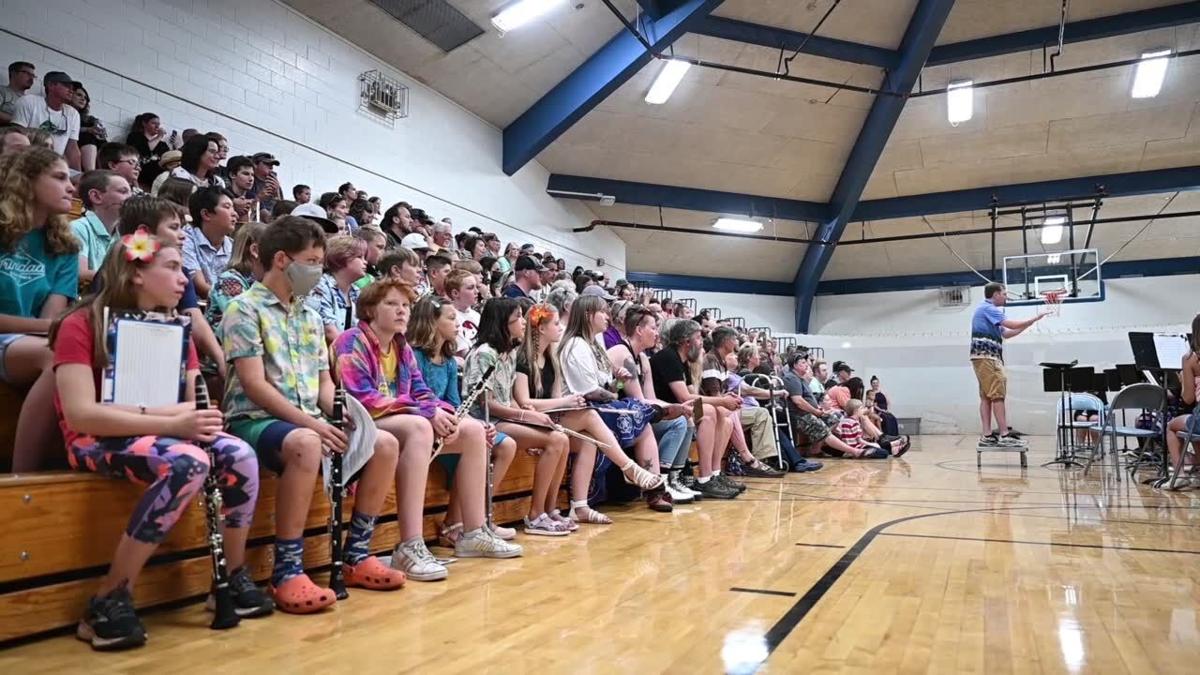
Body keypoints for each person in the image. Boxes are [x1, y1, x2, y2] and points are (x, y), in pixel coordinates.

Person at [50, 230, 271, 650]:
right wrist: (173, 423)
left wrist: (185, 421)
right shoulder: (81, 323)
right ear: (136, 273)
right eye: (171, 268)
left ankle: (230, 576)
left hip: (161, 435)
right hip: (96, 439)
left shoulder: (177, 330)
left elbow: (189, 407)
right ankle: (108, 598)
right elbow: (81, 413)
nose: (184, 280)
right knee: (189, 462)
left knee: (240, 453)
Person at [222, 216, 403, 613]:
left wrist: (348, 415)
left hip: (305, 416)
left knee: (384, 442)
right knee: (306, 443)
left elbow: (323, 383)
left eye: (322, 262)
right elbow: (254, 385)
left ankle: (357, 553)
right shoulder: (243, 308)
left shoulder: (308, 314)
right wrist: (313, 424)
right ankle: (286, 570)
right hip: (254, 420)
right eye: (313, 260)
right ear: (283, 260)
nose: (319, 270)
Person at [336, 283, 521, 581]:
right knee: (421, 425)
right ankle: (410, 544)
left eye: (406, 305)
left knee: (472, 430)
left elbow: (422, 392)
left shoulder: (400, 346)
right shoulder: (350, 341)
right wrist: (427, 412)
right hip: (362, 423)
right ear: (370, 309)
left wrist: (443, 414)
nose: (401, 310)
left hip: (402, 422)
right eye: (391, 304)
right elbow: (363, 398)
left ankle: (472, 532)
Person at [522, 303, 666, 521]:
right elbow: (524, 402)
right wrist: (567, 400)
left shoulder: (552, 356)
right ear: (541, 329)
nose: (561, 326)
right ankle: (630, 469)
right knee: (597, 415)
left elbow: (557, 397)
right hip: (532, 417)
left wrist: (611, 383)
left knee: (590, 438)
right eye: (555, 323)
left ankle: (579, 507)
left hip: (552, 414)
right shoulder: (526, 358)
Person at [408, 294, 522, 548]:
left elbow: (456, 403)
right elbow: (412, 397)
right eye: (451, 318)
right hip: (425, 423)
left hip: (449, 425)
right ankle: (461, 524)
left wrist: (478, 424)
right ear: (432, 323)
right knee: (476, 442)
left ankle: (470, 523)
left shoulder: (448, 362)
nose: (458, 323)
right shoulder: (415, 356)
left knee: (485, 437)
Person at [0, 147, 79, 472]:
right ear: (28, 183)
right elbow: (49, 328)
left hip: (25, 342)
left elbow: (50, 321)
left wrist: (57, 330)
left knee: (72, 354)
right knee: (57, 355)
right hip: (18, 340)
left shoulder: (64, 247)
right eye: (59, 178)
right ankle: (23, 476)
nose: (72, 187)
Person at [463, 298, 571, 536]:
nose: (524, 321)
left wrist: (529, 418)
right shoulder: (485, 354)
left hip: (505, 418)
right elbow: (486, 403)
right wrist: (522, 415)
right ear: (504, 323)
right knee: (554, 439)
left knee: (560, 437)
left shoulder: (508, 353)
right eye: (518, 318)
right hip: (486, 421)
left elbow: (508, 398)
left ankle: (545, 510)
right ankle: (533, 515)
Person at [556, 295, 670, 511]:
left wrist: (615, 380)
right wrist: (615, 394)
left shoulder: (591, 345)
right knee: (640, 414)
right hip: (577, 409)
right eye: (602, 312)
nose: (608, 317)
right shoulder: (576, 344)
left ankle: (651, 483)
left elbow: (603, 387)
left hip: (589, 407)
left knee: (641, 416)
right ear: (589, 315)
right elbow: (589, 391)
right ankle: (641, 477)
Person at [606, 305, 697, 504]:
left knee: (686, 419)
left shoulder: (643, 359)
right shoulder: (624, 354)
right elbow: (640, 402)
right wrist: (674, 408)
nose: (657, 333)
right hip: (611, 412)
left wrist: (678, 408)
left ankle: (672, 479)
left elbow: (650, 397)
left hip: (632, 412)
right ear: (639, 330)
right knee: (678, 421)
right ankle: (658, 485)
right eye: (653, 328)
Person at [650, 319, 742, 500]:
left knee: (721, 413)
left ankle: (715, 473)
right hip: (663, 412)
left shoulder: (682, 360)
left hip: (679, 410)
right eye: (699, 338)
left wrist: (722, 402)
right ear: (686, 342)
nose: (702, 342)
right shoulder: (668, 357)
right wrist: (721, 401)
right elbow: (685, 397)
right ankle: (704, 478)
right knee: (709, 412)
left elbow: (692, 395)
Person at [971, 282, 1048, 447]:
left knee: (986, 396)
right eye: (1004, 294)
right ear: (996, 294)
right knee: (997, 394)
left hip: (983, 357)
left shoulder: (986, 311)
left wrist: (1028, 324)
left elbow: (1006, 333)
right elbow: (1011, 325)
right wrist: (1035, 317)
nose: (1006, 297)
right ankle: (1004, 434)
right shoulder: (989, 308)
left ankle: (987, 435)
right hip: (988, 357)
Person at [781, 354, 865, 459]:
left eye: (806, 362)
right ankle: (854, 451)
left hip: (808, 412)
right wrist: (815, 412)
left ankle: (815, 449)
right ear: (795, 365)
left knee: (833, 418)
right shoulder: (791, 378)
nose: (807, 365)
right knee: (823, 428)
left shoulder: (801, 379)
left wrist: (819, 410)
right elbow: (798, 401)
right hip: (798, 414)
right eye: (803, 363)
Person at [71, 170, 132, 284]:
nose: (131, 198)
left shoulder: (124, 234)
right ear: (96, 196)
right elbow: (80, 273)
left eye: (130, 192)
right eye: (123, 192)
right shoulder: (77, 228)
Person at [12, 71, 81, 169]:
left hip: (53, 165)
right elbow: (16, 135)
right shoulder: (29, 101)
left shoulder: (73, 113)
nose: (71, 90)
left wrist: (80, 178)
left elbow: (72, 148)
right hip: (26, 160)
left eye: (72, 88)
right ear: (51, 85)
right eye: (66, 86)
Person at [307, 234, 365, 344]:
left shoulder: (357, 292)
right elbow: (329, 331)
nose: (365, 262)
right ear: (342, 258)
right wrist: (353, 355)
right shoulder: (320, 287)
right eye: (360, 257)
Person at [183, 186, 236, 299]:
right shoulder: (185, 238)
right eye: (227, 207)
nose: (234, 214)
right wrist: (233, 302)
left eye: (233, 208)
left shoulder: (233, 246)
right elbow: (199, 286)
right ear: (206, 214)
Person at [1165, 315, 1200, 484]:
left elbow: (1188, 399)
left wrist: (1182, 382)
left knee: (1171, 427)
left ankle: (1179, 475)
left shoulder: (1190, 359)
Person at [125, 113, 174, 191]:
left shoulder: (162, 144)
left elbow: (167, 159)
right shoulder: (135, 136)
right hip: (140, 178)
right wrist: (159, 136)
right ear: (144, 124)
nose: (157, 127)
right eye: (154, 123)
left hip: (156, 181)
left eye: (158, 124)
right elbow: (146, 149)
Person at [444, 269, 480, 357]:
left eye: (477, 287)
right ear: (455, 293)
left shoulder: (477, 315)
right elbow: (462, 353)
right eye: (470, 288)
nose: (477, 292)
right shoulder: (449, 317)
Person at [226, 155, 259, 222]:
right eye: (246, 174)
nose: (251, 179)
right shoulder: (223, 195)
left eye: (252, 175)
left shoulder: (252, 196)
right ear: (232, 175)